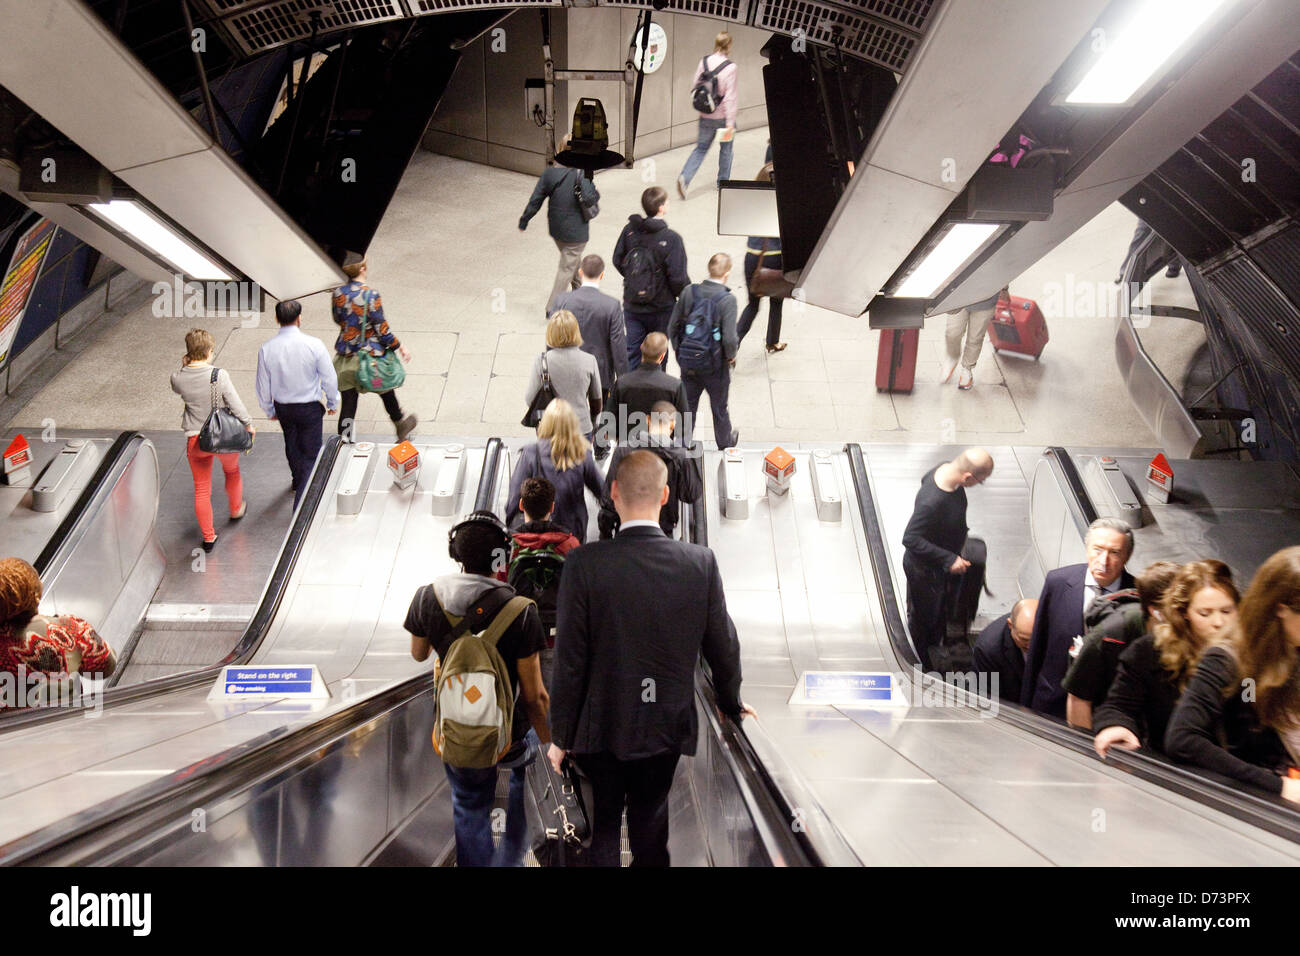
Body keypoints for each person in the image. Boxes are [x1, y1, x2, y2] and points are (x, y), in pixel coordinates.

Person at [548, 450, 753, 866]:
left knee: (602, 825)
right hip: (664, 727)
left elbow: (569, 660)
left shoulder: (584, 564)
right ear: (665, 497)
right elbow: (723, 647)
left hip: (598, 727)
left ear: (613, 493)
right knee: (650, 820)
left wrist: (561, 736)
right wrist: (731, 703)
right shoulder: (699, 563)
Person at [405, 512, 551, 865]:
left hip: (456, 729)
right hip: (511, 737)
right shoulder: (521, 610)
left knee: (469, 804)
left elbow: (418, 654)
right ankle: (512, 859)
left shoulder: (427, 597)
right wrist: (549, 742)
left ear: (457, 554)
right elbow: (534, 696)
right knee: (522, 787)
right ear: (501, 556)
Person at [1166, 547, 1300, 801]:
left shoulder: (1290, 649)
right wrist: (1277, 786)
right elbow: (1182, 738)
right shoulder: (1226, 658)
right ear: (1281, 609)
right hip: (1257, 800)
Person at [1092, 560, 1238, 758]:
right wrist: (1116, 726)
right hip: (1174, 770)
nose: (1219, 622)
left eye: (1227, 611)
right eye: (1205, 613)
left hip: (1237, 770)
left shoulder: (1247, 654)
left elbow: (1250, 699)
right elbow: (1118, 706)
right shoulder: (1150, 652)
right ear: (1184, 613)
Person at [1021, 517, 1137, 720]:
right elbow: (1038, 646)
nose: (1104, 560)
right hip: (1051, 704)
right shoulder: (1057, 582)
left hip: (1105, 711)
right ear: (1087, 549)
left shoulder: (1136, 596)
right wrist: (1026, 706)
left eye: (1115, 552)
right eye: (1098, 549)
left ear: (1127, 556)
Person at [901, 449, 995, 671]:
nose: (979, 484)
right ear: (967, 477)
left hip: (939, 563)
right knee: (926, 618)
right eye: (981, 481)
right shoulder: (933, 502)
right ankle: (923, 660)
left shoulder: (944, 469)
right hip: (925, 572)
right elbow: (910, 538)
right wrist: (948, 558)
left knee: (937, 610)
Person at [1064, 560, 1179, 730]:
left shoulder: (1183, 631)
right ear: (1156, 610)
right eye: (1179, 606)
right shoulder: (1111, 633)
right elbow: (1078, 698)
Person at [170, 328, 254, 553]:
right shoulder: (219, 375)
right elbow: (235, 404)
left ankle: (209, 537)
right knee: (232, 471)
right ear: (208, 352)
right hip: (223, 436)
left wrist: (184, 365)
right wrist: (248, 424)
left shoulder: (178, 378)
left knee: (201, 489)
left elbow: (177, 382)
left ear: (188, 354)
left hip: (195, 440)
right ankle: (236, 509)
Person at [255, 300, 340, 507]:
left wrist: (269, 409)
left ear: (276, 319)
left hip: (283, 408)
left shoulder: (267, 349)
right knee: (311, 455)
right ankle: (303, 505)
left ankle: (297, 480)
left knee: (291, 445)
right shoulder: (314, 345)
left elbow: (262, 385)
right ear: (299, 318)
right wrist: (332, 401)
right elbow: (328, 377)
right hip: (309, 407)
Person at [0, 557, 116, 709]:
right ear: (36, 594)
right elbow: (105, 666)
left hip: (12, 731)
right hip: (63, 723)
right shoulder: (66, 629)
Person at [331, 255, 417, 443]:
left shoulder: (338, 293)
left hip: (347, 361)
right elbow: (382, 329)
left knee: (349, 402)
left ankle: (344, 442)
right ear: (363, 269)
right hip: (371, 364)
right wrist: (399, 346)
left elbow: (338, 319)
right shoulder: (371, 295)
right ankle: (400, 426)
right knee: (385, 390)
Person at [551, 255, 626, 459]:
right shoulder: (611, 305)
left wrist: (551, 363)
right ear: (602, 275)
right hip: (600, 369)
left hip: (566, 367)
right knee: (598, 410)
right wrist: (624, 376)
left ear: (580, 273)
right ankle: (600, 447)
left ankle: (567, 444)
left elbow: (553, 336)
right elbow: (618, 344)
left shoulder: (561, 301)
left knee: (568, 406)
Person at [509, 476, 580, 688]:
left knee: (519, 700)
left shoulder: (509, 546)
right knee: (550, 700)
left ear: (521, 505)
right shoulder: (570, 544)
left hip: (518, 637)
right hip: (554, 637)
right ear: (552, 507)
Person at [597, 401, 702, 539]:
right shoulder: (680, 456)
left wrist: (605, 533)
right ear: (672, 424)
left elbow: (608, 501)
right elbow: (690, 495)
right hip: (663, 533)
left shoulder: (624, 450)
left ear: (647, 420)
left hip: (627, 531)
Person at [506, 399, 604, 544]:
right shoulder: (581, 454)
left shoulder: (531, 453)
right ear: (573, 425)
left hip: (535, 534)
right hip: (571, 533)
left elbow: (514, 497)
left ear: (546, 423)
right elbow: (603, 491)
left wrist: (511, 528)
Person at [668, 252, 740, 450]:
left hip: (689, 364)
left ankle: (682, 445)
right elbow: (730, 338)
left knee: (687, 407)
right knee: (719, 407)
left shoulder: (689, 292)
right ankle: (725, 444)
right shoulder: (727, 300)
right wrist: (731, 356)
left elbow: (672, 327)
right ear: (727, 274)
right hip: (716, 367)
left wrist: (680, 352)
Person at [613, 187, 689, 371]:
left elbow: (617, 259)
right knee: (658, 353)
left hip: (633, 305)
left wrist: (635, 279)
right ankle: (657, 393)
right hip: (661, 307)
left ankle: (629, 394)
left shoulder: (630, 231)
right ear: (661, 208)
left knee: (633, 352)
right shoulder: (671, 239)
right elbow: (678, 277)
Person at [519, 136, 598, 315]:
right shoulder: (582, 172)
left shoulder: (550, 173)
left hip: (556, 230)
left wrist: (525, 219)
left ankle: (580, 293)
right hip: (576, 232)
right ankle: (552, 307)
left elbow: (536, 199)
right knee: (567, 266)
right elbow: (591, 199)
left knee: (572, 260)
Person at [676, 32, 738, 200]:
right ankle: (723, 183)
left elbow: (696, 85)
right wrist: (730, 123)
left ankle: (685, 177)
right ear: (729, 45)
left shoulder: (704, 61)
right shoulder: (731, 68)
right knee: (726, 151)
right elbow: (730, 97)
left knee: (701, 148)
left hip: (706, 115)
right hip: (723, 118)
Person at [524, 311, 602, 437]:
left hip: (551, 430)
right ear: (576, 332)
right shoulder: (590, 360)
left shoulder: (541, 361)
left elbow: (529, 399)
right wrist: (592, 424)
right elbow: (596, 402)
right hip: (581, 428)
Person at [603, 333, 690, 446]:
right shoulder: (675, 386)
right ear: (662, 356)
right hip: (662, 453)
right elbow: (683, 429)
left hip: (628, 453)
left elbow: (608, 427)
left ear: (641, 349)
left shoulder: (621, 383)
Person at [736, 164, 787, 354]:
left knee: (752, 305)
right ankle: (772, 341)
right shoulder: (785, 202)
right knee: (776, 301)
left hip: (752, 259)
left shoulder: (751, 200)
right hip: (775, 258)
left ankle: (731, 349)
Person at [972, 598, 1037, 703]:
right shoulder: (988, 650)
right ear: (1011, 625)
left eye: (1036, 639)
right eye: (1024, 639)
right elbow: (987, 699)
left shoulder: (1055, 631)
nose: (1031, 646)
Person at [940, 288, 1004, 391]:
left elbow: (1003, 272)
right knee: (952, 332)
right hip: (959, 297)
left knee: (975, 338)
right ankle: (952, 357)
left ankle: (967, 368)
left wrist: (1004, 289)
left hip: (986, 299)